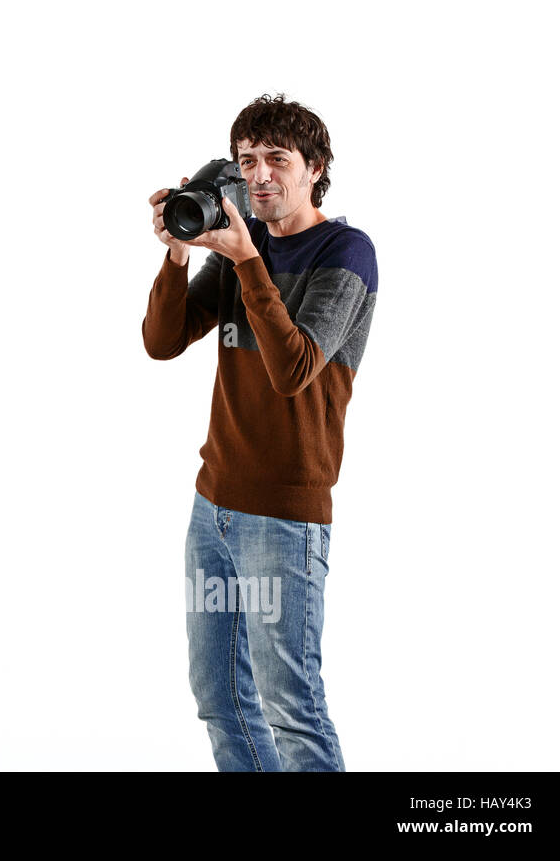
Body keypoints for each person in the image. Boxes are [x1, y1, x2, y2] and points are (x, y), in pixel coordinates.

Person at [141, 93, 377, 771]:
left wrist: (247, 260)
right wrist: (180, 255)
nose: (260, 176)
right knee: (220, 699)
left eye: (278, 159)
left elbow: (295, 368)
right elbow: (161, 341)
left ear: (316, 168)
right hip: (211, 510)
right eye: (247, 162)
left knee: (291, 709)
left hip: (284, 521)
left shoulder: (348, 253)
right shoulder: (245, 249)